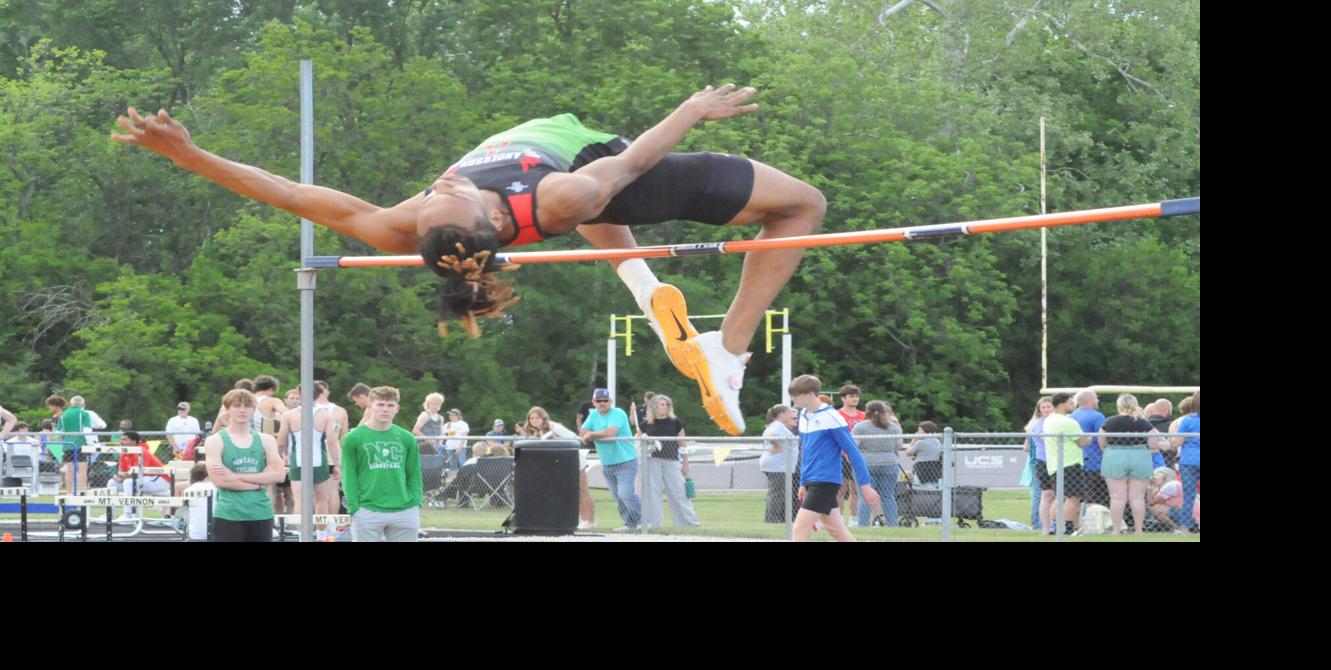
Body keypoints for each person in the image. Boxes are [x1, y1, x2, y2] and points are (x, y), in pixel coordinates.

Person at [114, 84, 818, 437]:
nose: (441, 187)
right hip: (604, 168)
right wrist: (693, 107)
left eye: (436, 195)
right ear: (492, 221)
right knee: (800, 207)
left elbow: (292, 193)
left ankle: (644, 288)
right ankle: (727, 350)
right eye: (448, 196)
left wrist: (191, 155)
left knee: (589, 206)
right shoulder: (559, 197)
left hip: (577, 181)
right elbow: (634, 161)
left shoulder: (408, 224)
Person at [787, 375, 880, 542]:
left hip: (825, 481)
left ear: (811, 393)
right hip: (812, 480)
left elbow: (853, 452)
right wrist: (803, 482)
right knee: (836, 530)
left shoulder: (831, 417)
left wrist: (865, 485)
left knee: (800, 528)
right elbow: (806, 452)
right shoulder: (804, 416)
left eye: (796, 395)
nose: (793, 399)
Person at [341, 387, 424, 542]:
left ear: (396, 408)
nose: (385, 409)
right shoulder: (353, 438)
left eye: (390, 405)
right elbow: (349, 475)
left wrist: (416, 503)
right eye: (380, 404)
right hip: (367, 508)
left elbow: (414, 474)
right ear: (370, 406)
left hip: (404, 509)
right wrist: (354, 507)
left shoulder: (407, 437)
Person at [204, 388, 286, 542]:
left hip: (261, 512)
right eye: (237, 406)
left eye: (247, 406)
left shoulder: (266, 440)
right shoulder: (215, 441)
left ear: (254, 410)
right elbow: (219, 480)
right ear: (227, 409)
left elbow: (279, 475)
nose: (242, 410)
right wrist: (259, 482)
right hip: (229, 513)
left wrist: (235, 476)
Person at [276, 380, 343, 521]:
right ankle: (322, 531)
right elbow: (332, 442)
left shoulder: (289, 415)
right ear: (318, 395)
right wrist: (337, 463)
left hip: (298, 461)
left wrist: (277, 458)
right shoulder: (325, 415)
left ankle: (301, 532)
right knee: (321, 499)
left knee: (300, 500)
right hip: (319, 462)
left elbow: (281, 441)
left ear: (300, 394)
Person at [1099, 394, 1162, 535]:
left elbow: (1101, 443)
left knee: (1117, 497)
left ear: (1119, 406)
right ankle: (1139, 530)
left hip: (1114, 456)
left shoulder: (1109, 422)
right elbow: (1153, 444)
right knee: (1138, 497)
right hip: (1140, 457)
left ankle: (1116, 530)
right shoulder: (1144, 423)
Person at [527, 405, 596, 531]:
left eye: (537, 417)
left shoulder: (555, 428)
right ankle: (574, 519)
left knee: (582, 491)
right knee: (568, 493)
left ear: (543, 418)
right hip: (560, 464)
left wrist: (557, 438)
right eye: (531, 418)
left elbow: (576, 439)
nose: (534, 420)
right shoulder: (539, 432)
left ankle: (589, 520)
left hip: (574, 461)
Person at [580, 388, 640, 530]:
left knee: (625, 494)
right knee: (618, 496)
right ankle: (630, 524)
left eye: (605, 400)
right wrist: (598, 435)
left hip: (626, 461)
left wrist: (592, 435)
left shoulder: (618, 413)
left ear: (610, 401)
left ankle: (642, 521)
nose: (602, 403)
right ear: (594, 402)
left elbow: (611, 433)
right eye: (598, 400)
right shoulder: (593, 415)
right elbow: (583, 431)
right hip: (607, 463)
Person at [638, 394, 700, 529]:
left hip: (672, 460)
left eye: (666, 404)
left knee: (679, 492)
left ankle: (689, 523)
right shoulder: (645, 424)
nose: (665, 407)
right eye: (662, 404)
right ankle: (656, 525)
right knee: (653, 493)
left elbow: (682, 443)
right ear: (655, 406)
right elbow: (638, 442)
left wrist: (685, 463)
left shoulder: (675, 422)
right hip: (652, 461)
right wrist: (647, 441)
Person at [1042, 392, 1089, 535]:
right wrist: (1089, 438)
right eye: (1070, 403)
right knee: (1073, 498)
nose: (1073, 406)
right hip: (1070, 464)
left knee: (1060, 498)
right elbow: (1083, 441)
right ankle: (1067, 529)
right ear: (1062, 404)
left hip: (1054, 464)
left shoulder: (1049, 420)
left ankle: (1053, 528)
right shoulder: (1068, 422)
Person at [851, 400, 902, 528]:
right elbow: (898, 446)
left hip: (866, 464)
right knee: (888, 496)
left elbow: (854, 447)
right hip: (889, 463)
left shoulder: (860, 427)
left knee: (864, 496)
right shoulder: (893, 427)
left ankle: (863, 525)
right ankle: (893, 524)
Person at [760, 404, 799, 524]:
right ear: (782, 414)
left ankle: (782, 519)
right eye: (789, 413)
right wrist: (776, 446)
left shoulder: (781, 426)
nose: (792, 415)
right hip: (777, 466)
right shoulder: (776, 426)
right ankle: (771, 519)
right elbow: (769, 435)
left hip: (783, 465)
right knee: (777, 493)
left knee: (783, 493)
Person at [1070, 389, 1108, 509]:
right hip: (1095, 463)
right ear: (1089, 400)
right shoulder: (1097, 416)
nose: (1098, 400)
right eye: (1096, 398)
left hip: (1075, 462)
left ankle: (1073, 520)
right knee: (1095, 500)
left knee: (1074, 499)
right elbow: (1104, 438)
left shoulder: (1071, 416)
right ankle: (1093, 520)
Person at [834, 385, 866, 526]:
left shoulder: (863, 416)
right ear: (843, 398)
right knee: (840, 489)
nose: (855, 399)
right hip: (841, 456)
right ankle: (839, 517)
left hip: (858, 455)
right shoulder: (837, 415)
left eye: (856, 396)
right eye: (851, 396)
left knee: (855, 490)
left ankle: (854, 518)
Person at [1169, 389, 1200, 532]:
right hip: (1190, 460)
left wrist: (1170, 441)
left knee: (1188, 495)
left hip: (1189, 461)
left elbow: (1176, 443)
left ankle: (1185, 528)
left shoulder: (1187, 420)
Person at [1024, 397, 1052, 528]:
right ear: (1039, 410)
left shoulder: (1054, 422)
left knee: (1048, 494)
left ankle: (1048, 522)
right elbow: (1027, 447)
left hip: (1050, 461)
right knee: (1039, 493)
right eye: (1043, 407)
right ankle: (1037, 523)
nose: (1046, 410)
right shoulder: (1038, 424)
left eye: (1048, 406)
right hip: (1039, 462)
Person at [1147, 467, 1188, 534]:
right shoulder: (1166, 487)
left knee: (1156, 509)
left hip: (1185, 512)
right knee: (1157, 507)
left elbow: (1151, 503)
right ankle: (1177, 528)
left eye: (1157, 478)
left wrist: (1149, 487)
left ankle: (1178, 529)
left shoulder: (1168, 486)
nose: (1154, 480)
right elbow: (1151, 503)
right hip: (1181, 511)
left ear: (1164, 479)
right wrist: (1150, 487)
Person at [182, 462, 214, 541]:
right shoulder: (216, 488)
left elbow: (186, 516)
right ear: (208, 476)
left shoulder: (186, 491)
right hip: (215, 534)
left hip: (195, 535)